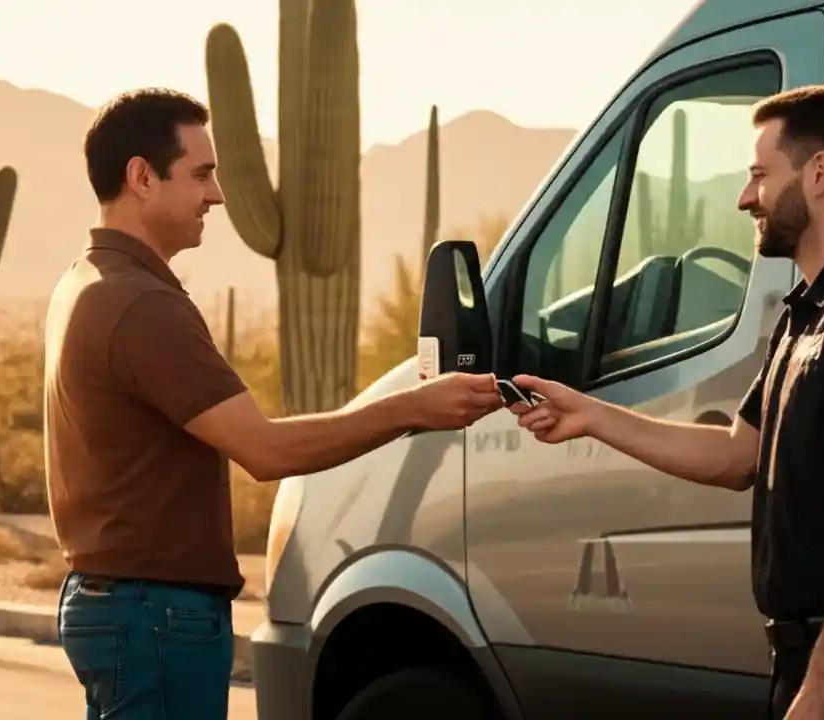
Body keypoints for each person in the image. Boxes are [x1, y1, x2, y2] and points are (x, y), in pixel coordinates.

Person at [44, 88, 504, 720]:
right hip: (156, 615)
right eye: (201, 173)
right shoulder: (139, 305)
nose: (218, 194)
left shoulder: (85, 281)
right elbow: (264, 449)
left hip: (122, 604)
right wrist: (413, 407)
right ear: (141, 177)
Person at [510, 85, 824, 719]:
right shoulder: (803, 314)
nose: (746, 198)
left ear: (818, 173)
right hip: (810, 666)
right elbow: (738, 454)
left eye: (760, 176)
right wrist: (589, 415)